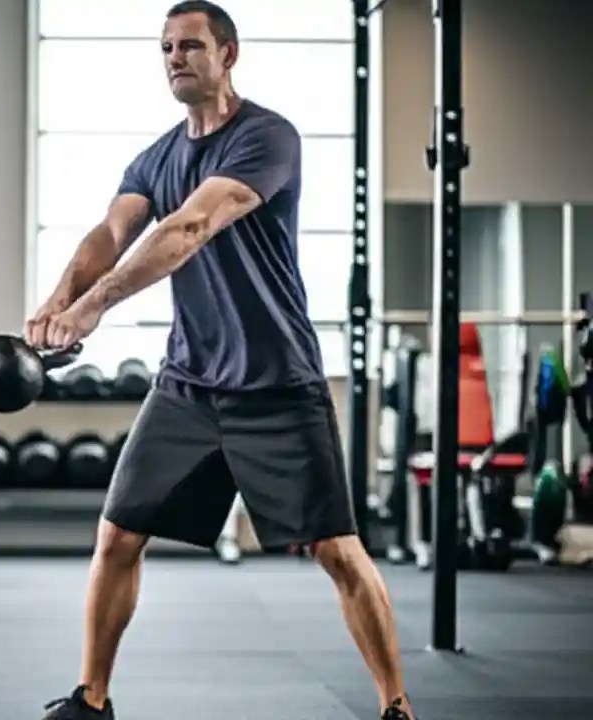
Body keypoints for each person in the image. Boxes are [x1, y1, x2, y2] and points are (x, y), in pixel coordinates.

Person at [25, 2, 416, 719]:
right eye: (166, 47)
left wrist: (94, 309)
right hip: (190, 385)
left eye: (191, 46)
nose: (176, 58)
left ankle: (396, 704)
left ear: (228, 54)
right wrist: (56, 301)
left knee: (335, 548)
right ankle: (92, 698)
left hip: (277, 382)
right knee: (118, 534)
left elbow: (191, 226)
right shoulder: (156, 156)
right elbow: (110, 233)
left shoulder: (266, 137)